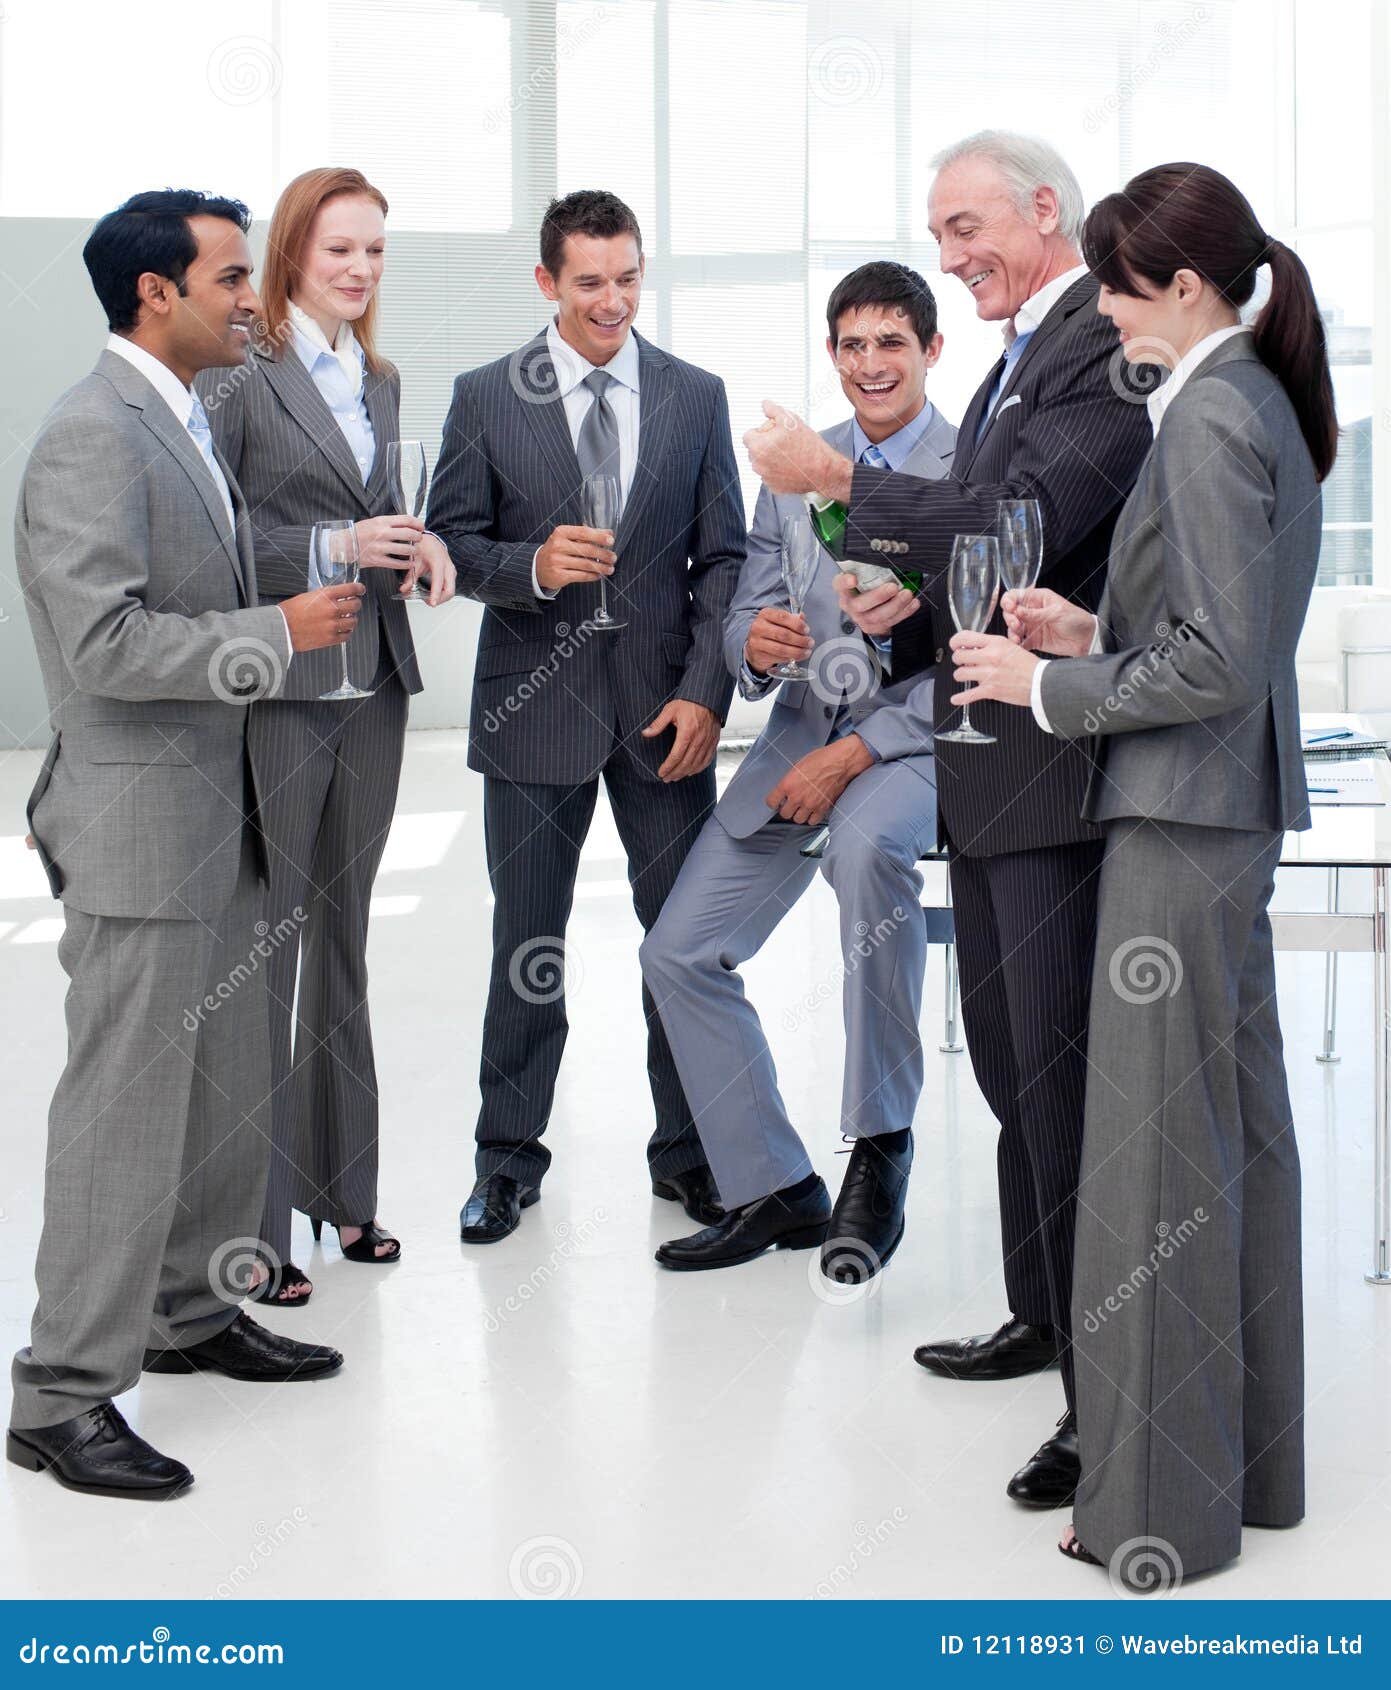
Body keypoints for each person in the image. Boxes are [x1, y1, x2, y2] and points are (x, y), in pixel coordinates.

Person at [744, 131, 1152, 1506]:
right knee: (1008, 1077)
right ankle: (1041, 1317)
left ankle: (1103, 1408)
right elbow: (984, 550)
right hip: (989, 780)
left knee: (1059, 1088)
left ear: (1046, 211)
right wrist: (904, 603)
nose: (950, 250)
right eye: (937, 229)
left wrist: (837, 482)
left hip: (1045, 782)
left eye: (967, 223)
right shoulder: (1017, 357)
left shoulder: (1094, 338)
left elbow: (1026, 526)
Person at [947, 161, 1332, 1580]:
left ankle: (1154, 1510)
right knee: (1234, 1141)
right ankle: (1246, 1469)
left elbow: (1216, 664)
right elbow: (1207, 621)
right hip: (1217, 815)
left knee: (1149, 1163)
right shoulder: (1250, 402)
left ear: (1179, 287)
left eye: (1115, 286)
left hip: (1175, 819)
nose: (1102, 313)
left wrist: (1040, 690)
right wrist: (1084, 624)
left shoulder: (1208, 413)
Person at [7, 190, 360, 1500]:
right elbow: (102, 645)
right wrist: (276, 634)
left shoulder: (187, 418)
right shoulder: (90, 436)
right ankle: (60, 1394)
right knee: (125, 1107)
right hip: (142, 824)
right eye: (226, 275)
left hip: (225, 813)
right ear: (156, 290)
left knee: (224, 1092)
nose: (249, 299)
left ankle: (191, 1311)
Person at [428, 189, 746, 1243]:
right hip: (532, 715)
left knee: (682, 946)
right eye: (589, 282)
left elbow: (726, 562)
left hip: (664, 717)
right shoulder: (485, 398)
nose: (612, 301)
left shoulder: (693, 396)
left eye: (626, 276)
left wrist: (705, 692)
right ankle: (506, 1161)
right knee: (528, 944)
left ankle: (692, 1155)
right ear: (545, 283)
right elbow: (449, 544)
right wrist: (529, 564)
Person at [641, 262, 955, 1277]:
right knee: (676, 952)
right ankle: (773, 1186)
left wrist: (852, 756)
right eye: (851, 345)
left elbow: (972, 646)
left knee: (863, 853)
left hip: (911, 739)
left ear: (930, 352)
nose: (869, 364)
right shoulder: (794, 460)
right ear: (832, 353)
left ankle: (879, 1142)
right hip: (794, 735)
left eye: (890, 344)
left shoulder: (969, 464)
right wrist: (753, 641)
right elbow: (745, 599)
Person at [197, 167, 455, 1307]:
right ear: (294, 252)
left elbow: (378, 515)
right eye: (340, 250)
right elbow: (212, 534)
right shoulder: (242, 377)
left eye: (376, 253)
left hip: (375, 688)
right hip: (284, 688)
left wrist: (421, 549)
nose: (358, 270)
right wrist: (334, 549)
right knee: (270, 953)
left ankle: (343, 1192)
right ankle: (249, 1228)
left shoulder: (382, 380)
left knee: (344, 943)